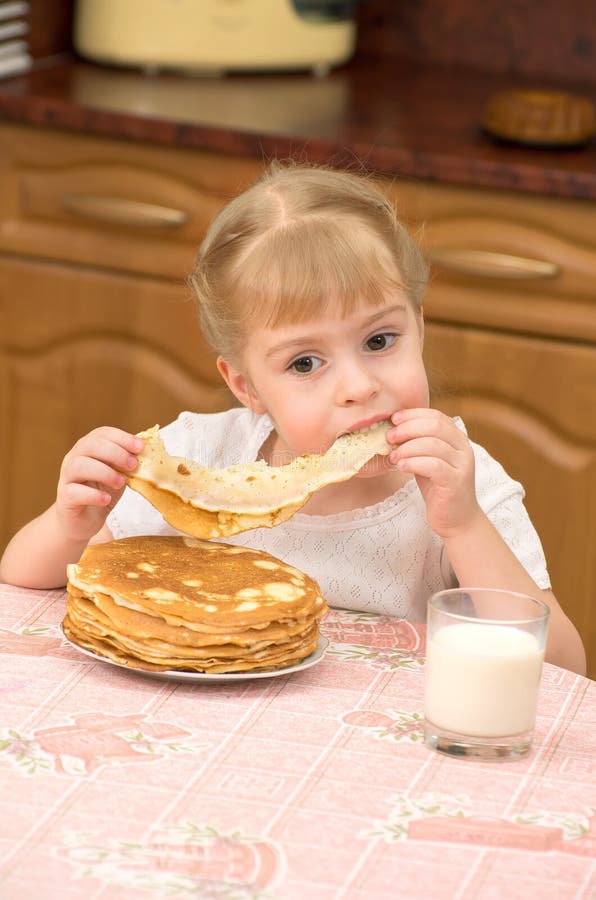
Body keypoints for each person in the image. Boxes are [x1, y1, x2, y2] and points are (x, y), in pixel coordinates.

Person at [0, 162, 586, 675]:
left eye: (380, 340)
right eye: (305, 362)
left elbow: (563, 668)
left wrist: (464, 526)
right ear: (247, 386)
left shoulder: (461, 482)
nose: (358, 386)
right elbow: (22, 584)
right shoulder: (195, 456)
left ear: (420, 327)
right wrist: (69, 524)